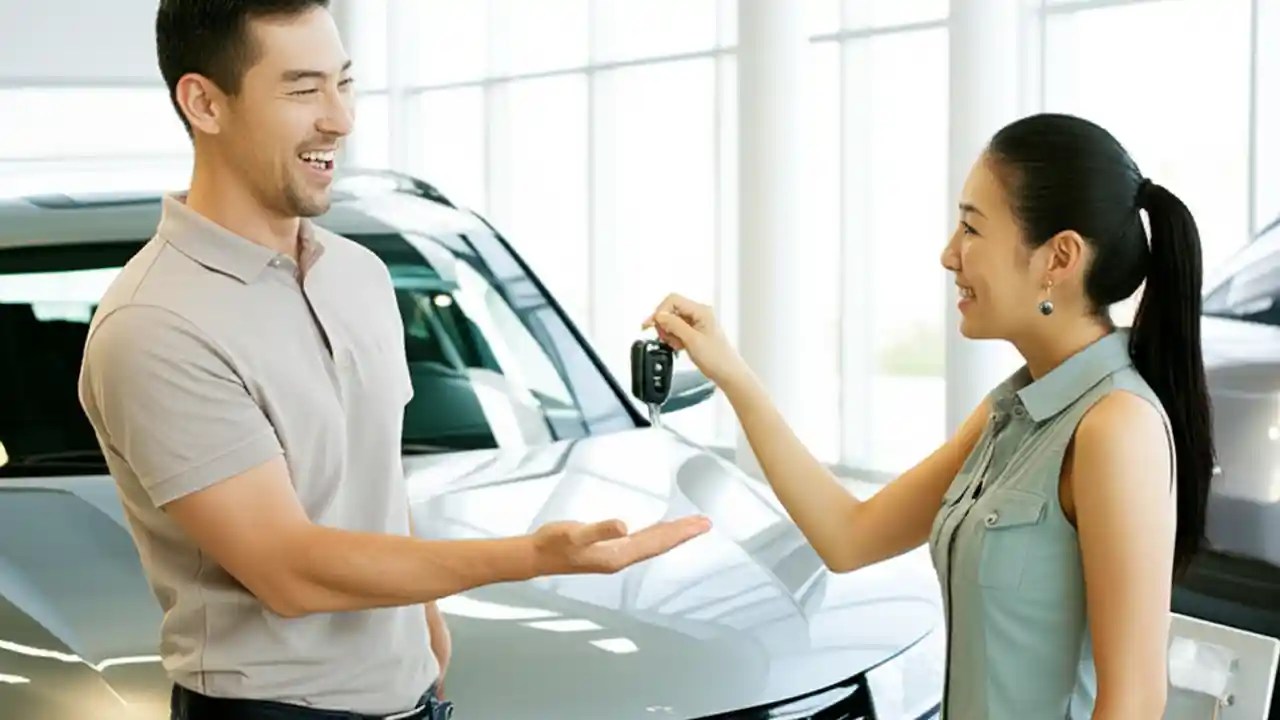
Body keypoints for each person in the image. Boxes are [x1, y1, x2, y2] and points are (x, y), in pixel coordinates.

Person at [77, 2, 711, 719]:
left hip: (413, 702)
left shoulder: (359, 274)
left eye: (344, 83)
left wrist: (426, 627)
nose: (340, 119)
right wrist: (532, 556)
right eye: (302, 88)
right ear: (204, 103)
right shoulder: (155, 325)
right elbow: (290, 573)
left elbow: (369, 475)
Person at [645, 112, 1214, 719]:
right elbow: (850, 537)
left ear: (1059, 257)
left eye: (971, 227)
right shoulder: (1011, 411)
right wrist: (732, 371)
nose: (949, 255)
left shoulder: (1115, 428)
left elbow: (1134, 704)